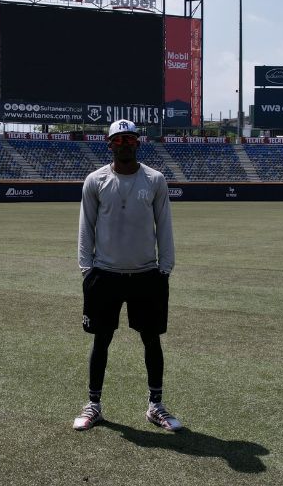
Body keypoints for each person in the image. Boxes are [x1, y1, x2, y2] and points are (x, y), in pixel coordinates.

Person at [72, 119, 180, 432]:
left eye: (129, 139)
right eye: (118, 140)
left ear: (137, 143)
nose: (124, 144)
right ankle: (93, 405)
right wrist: (86, 269)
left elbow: (165, 226)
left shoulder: (155, 180)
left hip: (147, 273)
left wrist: (165, 268)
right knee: (101, 340)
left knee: (151, 340)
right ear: (109, 144)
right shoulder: (95, 180)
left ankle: (155, 406)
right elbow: (86, 227)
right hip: (105, 274)